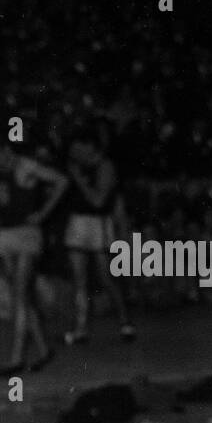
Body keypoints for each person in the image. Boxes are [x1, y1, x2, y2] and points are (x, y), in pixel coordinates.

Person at [0, 142, 68, 375]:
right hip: (6, 233)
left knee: (20, 295)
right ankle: (43, 350)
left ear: (7, 150)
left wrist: (43, 213)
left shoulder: (26, 166)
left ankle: (16, 358)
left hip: (26, 234)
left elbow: (62, 181)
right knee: (18, 294)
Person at [63, 133, 135, 345]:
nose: (75, 154)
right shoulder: (75, 165)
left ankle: (125, 322)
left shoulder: (105, 166)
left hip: (98, 224)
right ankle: (81, 328)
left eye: (79, 150)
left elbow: (98, 200)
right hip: (77, 222)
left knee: (106, 277)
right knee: (79, 279)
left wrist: (78, 179)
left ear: (90, 146)